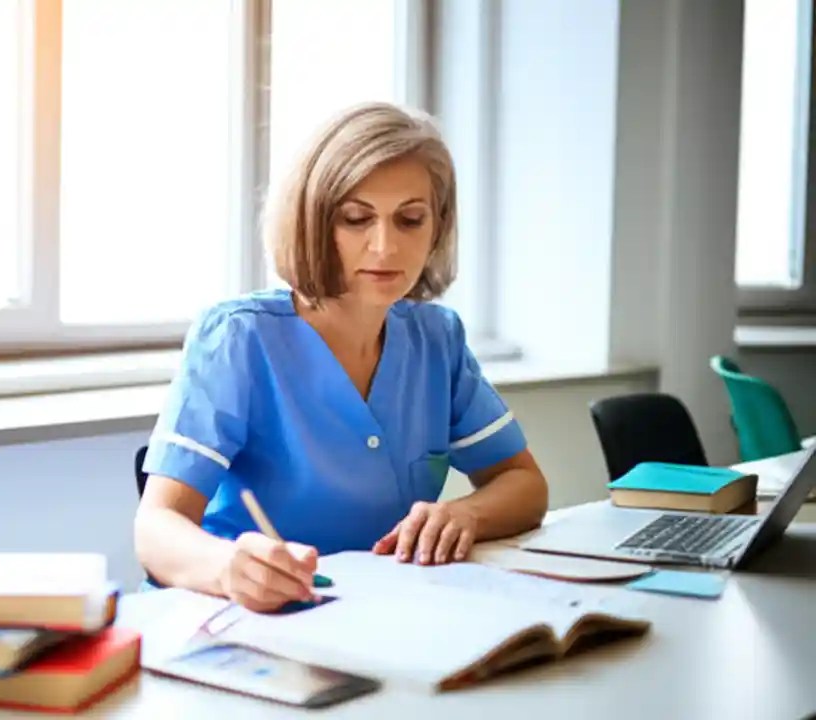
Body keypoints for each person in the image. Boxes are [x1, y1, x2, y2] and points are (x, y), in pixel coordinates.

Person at [133, 102, 549, 613]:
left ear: (436, 228)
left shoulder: (437, 339)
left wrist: (468, 514)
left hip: (380, 613)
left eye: (410, 220)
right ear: (312, 224)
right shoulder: (240, 338)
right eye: (356, 219)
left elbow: (524, 483)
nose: (385, 246)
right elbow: (155, 529)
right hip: (239, 618)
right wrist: (228, 568)